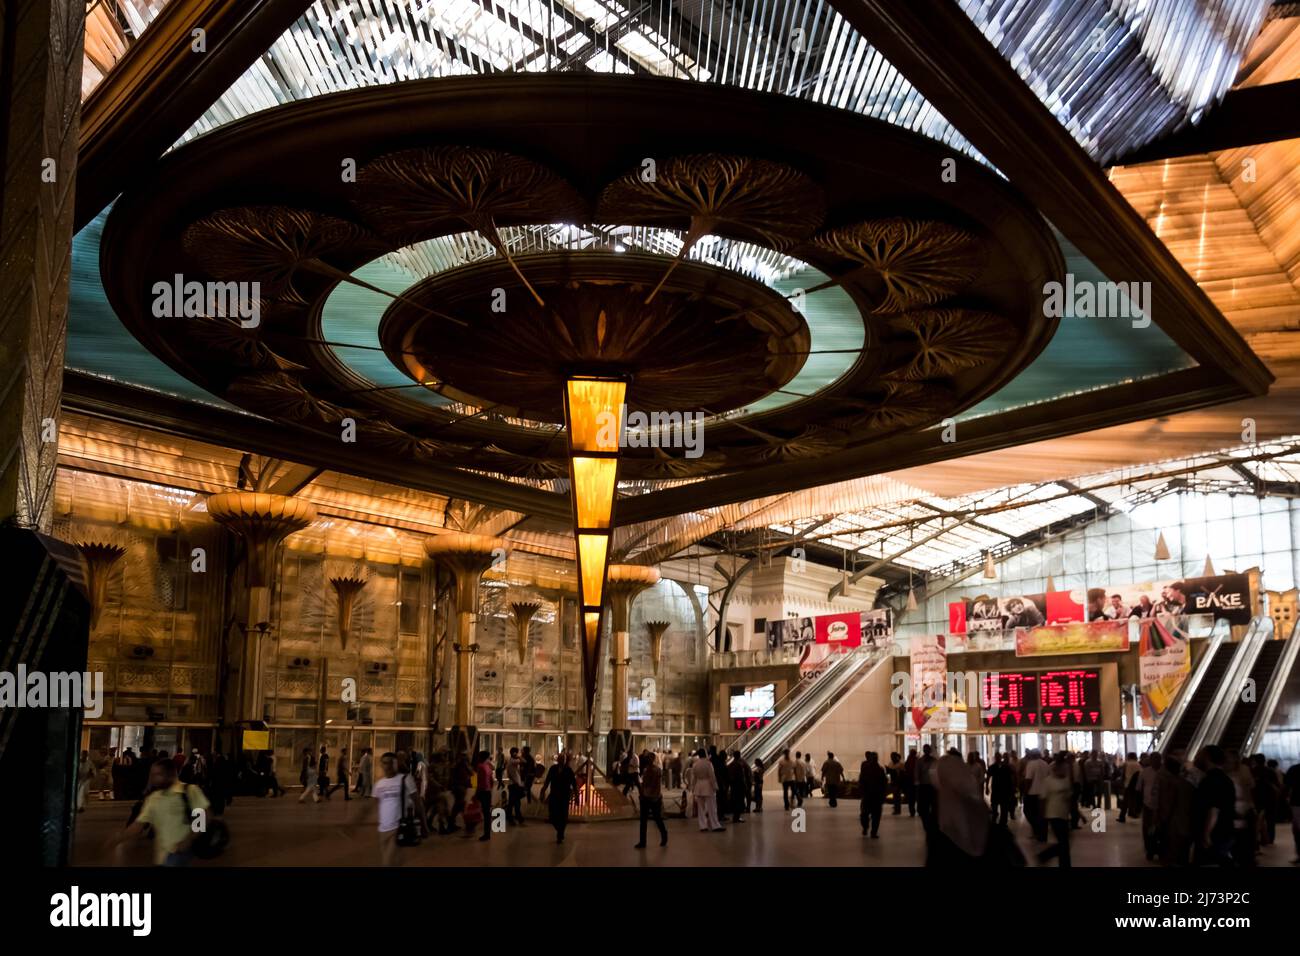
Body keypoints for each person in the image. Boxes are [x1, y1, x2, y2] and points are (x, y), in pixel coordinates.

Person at [118, 758, 212, 866]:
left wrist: (188, 840)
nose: (152, 779)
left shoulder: (189, 791)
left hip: (180, 853)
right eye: (152, 775)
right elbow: (138, 825)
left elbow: (204, 816)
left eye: (157, 774)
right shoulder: (154, 798)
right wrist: (118, 838)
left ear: (170, 774)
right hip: (163, 856)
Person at [1196, 745, 1236, 866]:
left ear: (1208, 757)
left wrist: (1207, 833)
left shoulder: (1211, 780)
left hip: (1216, 834)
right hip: (1225, 830)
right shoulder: (1225, 779)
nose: (1197, 757)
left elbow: (1214, 809)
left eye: (1201, 755)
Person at [371, 752, 407, 866]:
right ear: (381, 765)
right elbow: (371, 805)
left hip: (397, 826)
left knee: (388, 862)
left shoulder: (404, 779)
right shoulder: (379, 784)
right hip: (383, 828)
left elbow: (416, 801)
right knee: (391, 859)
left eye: (391, 763)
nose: (388, 766)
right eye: (385, 763)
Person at [1037, 756, 1074, 867]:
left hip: (1064, 815)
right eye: (1062, 768)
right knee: (1064, 843)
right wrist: (1042, 816)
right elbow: (1042, 799)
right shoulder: (1048, 781)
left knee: (1064, 843)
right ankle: (1046, 856)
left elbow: (1069, 798)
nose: (1064, 770)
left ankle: (1047, 857)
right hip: (1053, 814)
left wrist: (1076, 814)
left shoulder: (1066, 780)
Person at [539, 751, 577, 844]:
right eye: (560, 758)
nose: (561, 760)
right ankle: (559, 829)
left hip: (564, 796)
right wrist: (543, 791)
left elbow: (574, 784)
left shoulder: (568, 770)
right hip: (554, 795)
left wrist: (577, 796)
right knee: (552, 815)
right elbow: (547, 780)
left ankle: (560, 833)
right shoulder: (553, 769)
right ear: (558, 760)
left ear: (565, 760)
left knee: (563, 816)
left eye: (563, 759)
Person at [634, 751, 669, 848]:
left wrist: (645, 792)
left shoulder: (655, 770)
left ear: (652, 759)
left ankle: (663, 835)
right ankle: (643, 841)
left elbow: (652, 785)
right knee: (644, 820)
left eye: (649, 758)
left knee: (657, 818)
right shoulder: (648, 770)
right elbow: (645, 783)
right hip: (648, 797)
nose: (647, 760)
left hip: (653, 797)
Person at [690, 748, 724, 832]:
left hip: (698, 787)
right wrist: (715, 787)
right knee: (712, 807)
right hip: (708, 786)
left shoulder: (695, 764)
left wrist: (693, 788)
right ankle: (715, 825)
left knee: (700, 809)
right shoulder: (708, 764)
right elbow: (712, 776)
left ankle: (703, 826)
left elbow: (693, 778)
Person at [1140, 751, 1163, 860]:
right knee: (1147, 828)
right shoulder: (1145, 772)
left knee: (1159, 828)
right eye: (1153, 759)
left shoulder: (1164, 772)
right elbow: (1139, 788)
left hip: (1162, 805)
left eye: (1157, 759)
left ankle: (1159, 849)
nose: (1155, 762)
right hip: (1147, 804)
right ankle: (1149, 850)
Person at [859, 751, 886, 838]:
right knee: (871, 815)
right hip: (872, 796)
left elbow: (884, 783)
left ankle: (870, 830)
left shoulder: (879, 770)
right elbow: (884, 784)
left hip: (872, 796)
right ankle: (868, 829)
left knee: (871, 815)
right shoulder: (872, 769)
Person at [915, 744, 939, 832]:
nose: (926, 751)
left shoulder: (934, 761)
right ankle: (927, 823)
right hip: (924, 786)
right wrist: (917, 785)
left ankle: (932, 822)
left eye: (928, 750)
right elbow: (917, 774)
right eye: (925, 750)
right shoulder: (920, 761)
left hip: (932, 786)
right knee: (925, 806)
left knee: (933, 805)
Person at [988, 752, 1016, 826]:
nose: (998, 759)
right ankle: (996, 819)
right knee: (995, 805)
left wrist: (1012, 788)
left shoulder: (1006, 767)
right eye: (997, 757)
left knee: (1004, 807)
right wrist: (987, 787)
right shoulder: (993, 767)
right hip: (997, 789)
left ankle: (1002, 822)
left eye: (998, 757)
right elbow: (988, 777)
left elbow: (1011, 778)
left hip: (1003, 790)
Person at [473, 750, 494, 841]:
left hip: (482, 791)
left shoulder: (480, 767)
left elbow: (479, 781)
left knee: (476, 809)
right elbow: (491, 781)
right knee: (487, 813)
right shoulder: (488, 767)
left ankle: (472, 827)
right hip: (488, 791)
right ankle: (487, 833)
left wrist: (476, 792)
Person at [1283, 760, 1300, 865]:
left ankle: (1299, 854)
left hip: (1297, 802)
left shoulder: (1294, 769)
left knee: (1297, 830)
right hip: (1296, 803)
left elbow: (1286, 786)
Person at [1118, 751, 1141, 822]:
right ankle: (1132, 812)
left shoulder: (1126, 763)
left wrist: (1121, 783)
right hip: (1136, 785)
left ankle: (1122, 817)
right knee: (1133, 799)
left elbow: (1123, 774)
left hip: (1128, 784)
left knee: (1125, 801)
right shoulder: (1138, 764)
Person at [506, 747, 526, 826]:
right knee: (514, 803)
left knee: (514, 802)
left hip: (514, 784)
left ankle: (516, 818)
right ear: (514, 753)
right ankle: (515, 818)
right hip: (514, 785)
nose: (518, 754)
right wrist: (518, 756)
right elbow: (524, 761)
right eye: (516, 752)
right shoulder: (513, 761)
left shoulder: (512, 761)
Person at [727, 750, 749, 822]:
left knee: (735, 801)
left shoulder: (731, 764)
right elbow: (742, 776)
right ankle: (737, 817)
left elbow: (729, 775)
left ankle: (735, 817)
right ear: (739, 755)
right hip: (739, 786)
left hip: (733, 786)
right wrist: (745, 785)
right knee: (739, 801)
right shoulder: (740, 765)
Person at [902, 748, 917, 816]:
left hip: (910, 781)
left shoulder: (909, 760)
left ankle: (912, 811)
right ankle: (916, 811)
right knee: (916, 797)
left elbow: (905, 769)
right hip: (915, 781)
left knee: (911, 798)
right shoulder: (917, 760)